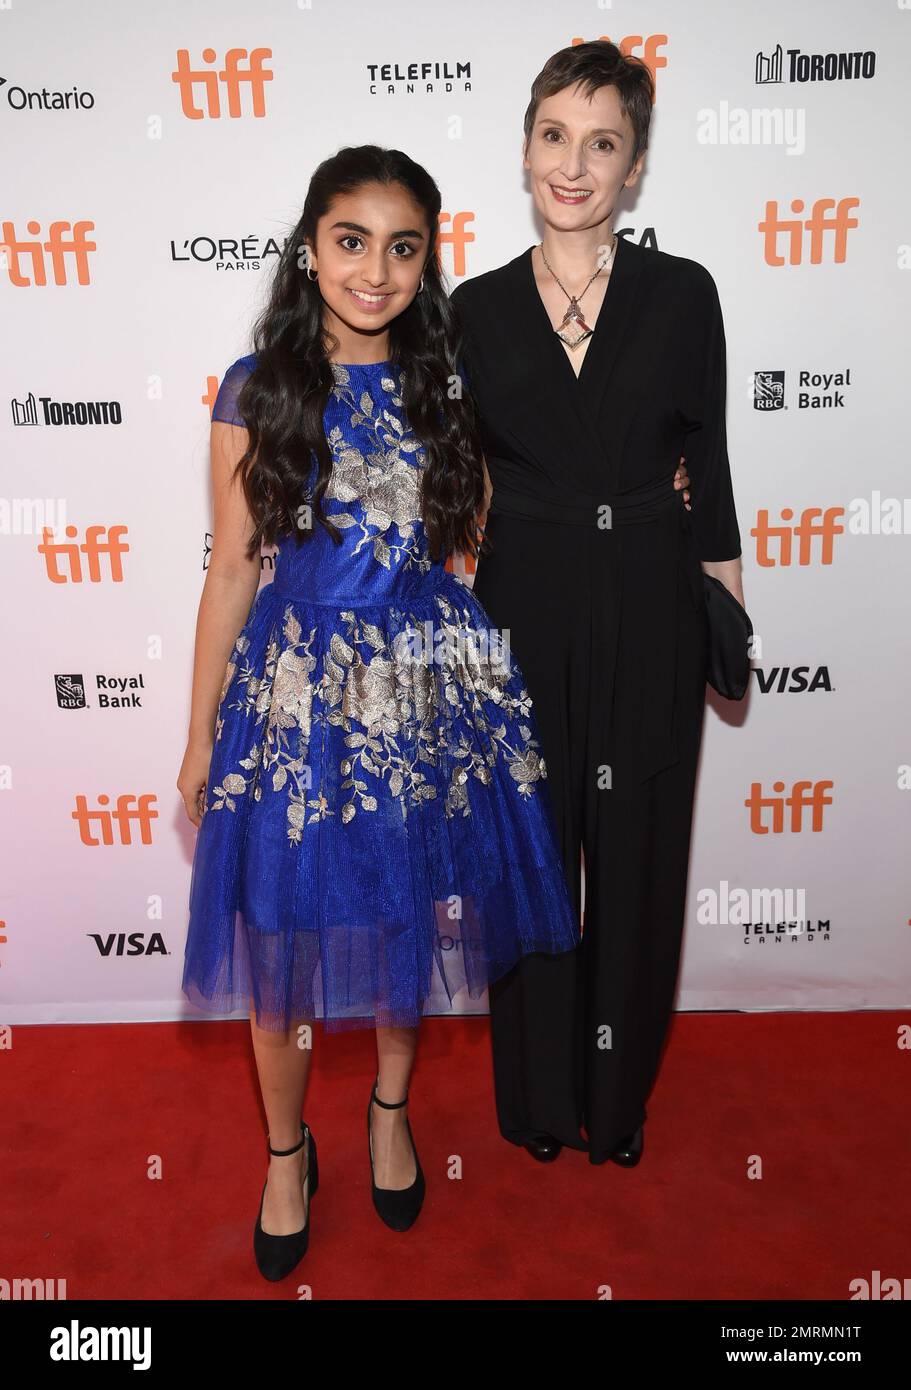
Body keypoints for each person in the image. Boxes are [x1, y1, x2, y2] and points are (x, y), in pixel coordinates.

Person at [176, 145, 582, 1280]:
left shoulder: (447, 385)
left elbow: (486, 525)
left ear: (423, 261)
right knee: (278, 937)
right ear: (310, 249)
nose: (375, 269)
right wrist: (201, 729)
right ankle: (285, 1150)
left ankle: (390, 1116)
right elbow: (230, 571)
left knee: (409, 919)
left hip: (419, 695)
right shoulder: (255, 387)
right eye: (351, 241)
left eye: (402, 246)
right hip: (295, 692)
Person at [448, 41, 744, 1168]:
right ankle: (533, 1100)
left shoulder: (682, 294)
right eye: (555, 136)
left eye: (603, 141)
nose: (574, 164)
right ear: (525, 149)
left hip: (649, 602)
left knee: (636, 850)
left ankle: (613, 1105)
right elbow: (452, 480)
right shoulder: (469, 309)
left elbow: (708, 464)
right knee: (528, 853)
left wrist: (723, 606)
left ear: (634, 166)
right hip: (518, 604)